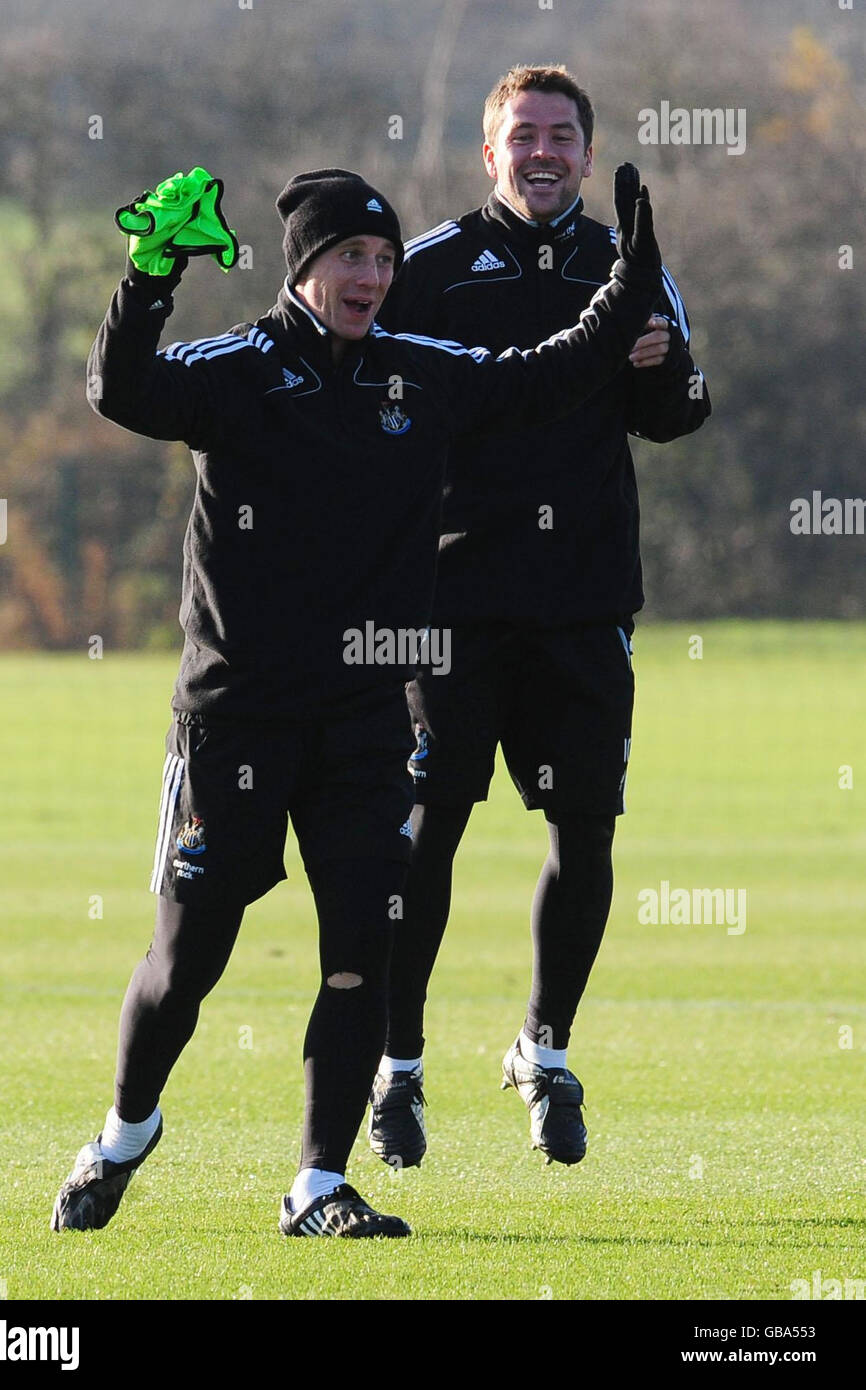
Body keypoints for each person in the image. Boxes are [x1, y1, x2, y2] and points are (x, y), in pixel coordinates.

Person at [50, 161, 663, 1238]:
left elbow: (541, 377)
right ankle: (124, 1131)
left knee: (355, 954)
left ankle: (319, 1182)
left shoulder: (419, 371)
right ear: (305, 270)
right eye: (350, 257)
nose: (372, 275)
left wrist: (625, 287)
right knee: (185, 962)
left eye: (382, 257)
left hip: (368, 722)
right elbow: (122, 389)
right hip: (235, 717)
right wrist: (148, 278)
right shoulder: (239, 369)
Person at [369, 65, 711, 1170]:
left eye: (562, 135)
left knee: (585, 835)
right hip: (449, 605)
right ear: (489, 152)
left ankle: (542, 1047)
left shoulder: (634, 264)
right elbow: (373, 411)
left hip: (580, 603)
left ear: (585, 146)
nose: (544, 152)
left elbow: (679, 413)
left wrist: (658, 369)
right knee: (422, 840)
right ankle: (396, 1062)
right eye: (523, 134)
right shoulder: (426, 269)